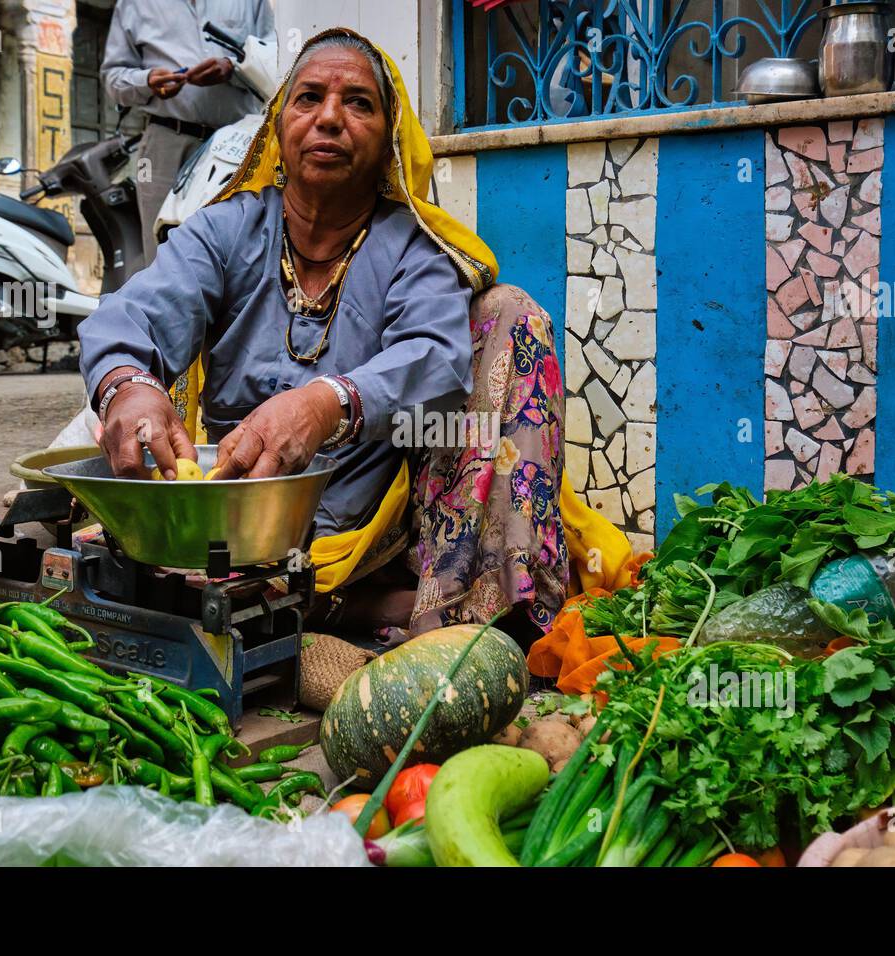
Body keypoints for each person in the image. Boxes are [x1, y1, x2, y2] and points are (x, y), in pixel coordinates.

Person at [80, 29, 628, 643]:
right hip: (242, 519)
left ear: (390, 138)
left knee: (510, 314)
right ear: (278, 128)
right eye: (308, 97)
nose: (330, 118)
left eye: (359, 103)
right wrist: (127, 386)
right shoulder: (226, 230)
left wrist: (325, 404)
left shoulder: (412, 248)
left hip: (378, 524)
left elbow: (435, 357)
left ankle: (448, 608)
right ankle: (344, 607)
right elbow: (131, 316)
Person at [102, 0, 275, 263]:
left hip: (239, 143)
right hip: (163, 146)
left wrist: (233, 68)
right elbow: (112, 78)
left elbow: (277, 56)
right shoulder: (134, 4)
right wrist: (147, 81)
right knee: (161, 254)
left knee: (240, 250)